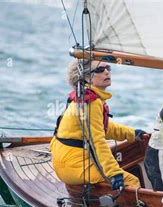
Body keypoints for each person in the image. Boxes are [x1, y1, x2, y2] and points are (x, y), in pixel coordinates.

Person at [50, 59, 149, 190]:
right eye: (100, 70)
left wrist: (131, 133)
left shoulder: (85, 96)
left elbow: (103, 127)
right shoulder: (91, 102)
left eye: (107, 68)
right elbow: (97, 141)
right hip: (72, 164)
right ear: (86, 77)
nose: (107, 72)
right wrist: (113, 172)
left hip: (65, 160)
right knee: (131, 181)